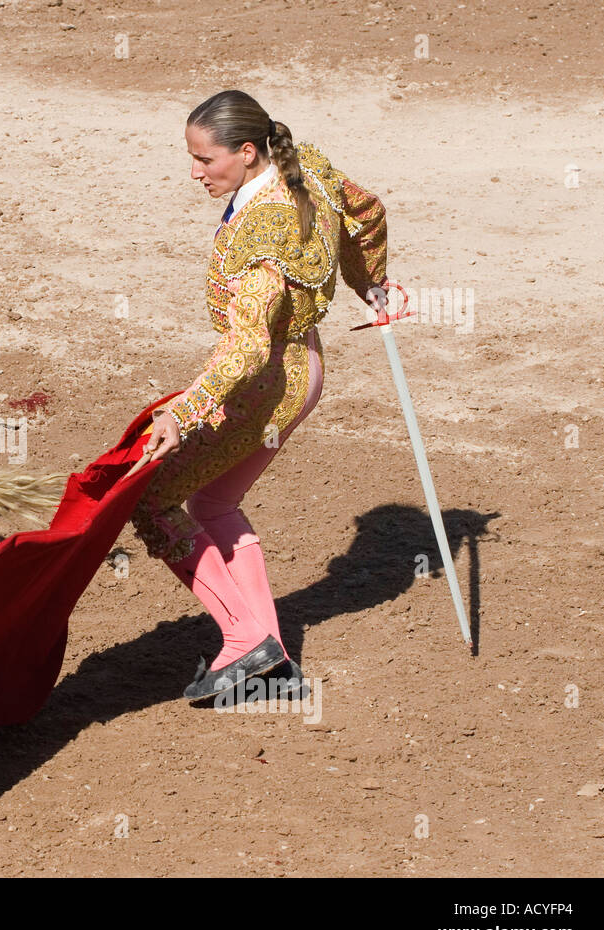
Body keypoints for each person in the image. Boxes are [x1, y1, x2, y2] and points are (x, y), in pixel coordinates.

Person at [131, 90, 389, 701]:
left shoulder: (265, 228)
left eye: (205, 159)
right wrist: (372, 283)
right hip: (302, 366)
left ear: (246, 153)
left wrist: (184, 410)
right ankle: (265, 654)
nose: (195, 172)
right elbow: (368, 211)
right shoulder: (305, 170)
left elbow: (246, 350)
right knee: (215, 504)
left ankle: (246, 639)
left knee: (155, 499)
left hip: (268, 383)